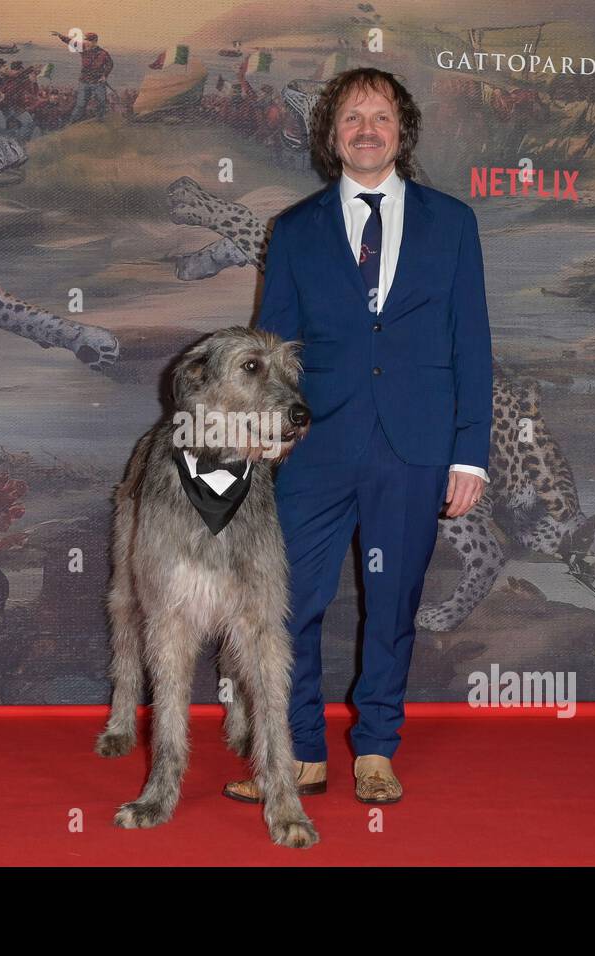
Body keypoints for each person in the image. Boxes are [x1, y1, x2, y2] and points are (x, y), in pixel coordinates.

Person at [225, 67, 493, 805]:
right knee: (290, 603)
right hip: (316, 449)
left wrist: (470, 453)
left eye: (379, 117)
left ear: (401, 131)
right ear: (331, 136)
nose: (366, 129)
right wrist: (261, 437)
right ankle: (301, 752)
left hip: (415, 446)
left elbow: (472, 342)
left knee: (392, 600)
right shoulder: (296, 229)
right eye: (351, 119)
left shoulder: (452, 223)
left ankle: (377, 747)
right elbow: (272, 350)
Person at [52, 30, 113, 123]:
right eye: (86, 40)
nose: (87, 42)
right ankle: (71, 123)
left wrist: (105, 75)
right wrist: (60, 36)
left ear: (95, 41)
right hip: (84, 82)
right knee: (80, 104)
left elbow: (110, 64)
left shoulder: (103, 53)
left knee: (101, 102)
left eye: (89, 41)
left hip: (98, 82)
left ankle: (99, 120)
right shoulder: (83, 48)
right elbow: (71, 42)